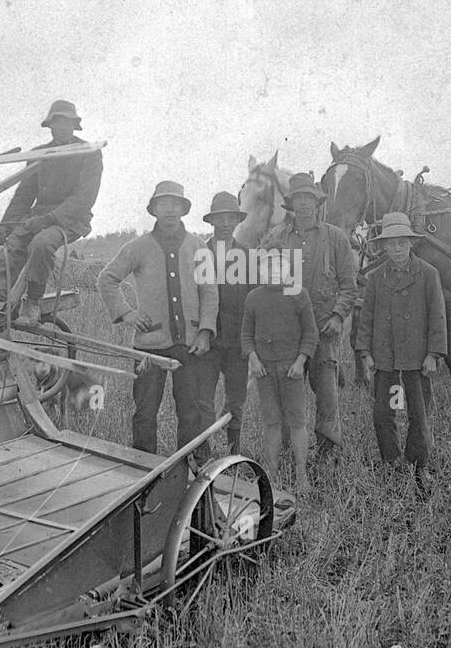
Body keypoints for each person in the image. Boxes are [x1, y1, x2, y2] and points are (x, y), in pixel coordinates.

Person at [0, 99, 103, 330]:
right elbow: (24, 196)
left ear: (75, 126)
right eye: (58, 123)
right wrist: (5, 226)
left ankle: (32, 302)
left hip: (72, 219)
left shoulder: (88, 153)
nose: (62, 128)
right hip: (38, 217)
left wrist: (48, 220)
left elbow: (84, 199)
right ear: (50, 126)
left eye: (67, 123)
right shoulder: (38, 154)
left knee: (42, 243)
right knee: (14, 245)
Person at [98, 181, 218, 456]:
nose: (169, 210)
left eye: (175, 204)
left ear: (183, 209)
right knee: (144, 412)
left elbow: (209, 292)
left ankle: (192, 474)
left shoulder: (198, 246)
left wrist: (205, 332)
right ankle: (144, 476)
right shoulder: (138, 247)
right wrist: (127, 313)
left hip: (189, 345)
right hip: (149, 347)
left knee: (191, 414)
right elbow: (107, 279)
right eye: (163, 204)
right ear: (154, 209)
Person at [260, 171, 357, 464]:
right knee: (289, 394)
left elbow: (348, 287)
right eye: (298, 199)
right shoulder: (277, 237)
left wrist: (339, 317)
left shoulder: (336, 237)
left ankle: (328, 454)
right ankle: (291, 452)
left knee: (327, 394)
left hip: (324, 329)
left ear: (317, 202)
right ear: (291, 204)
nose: (304, 205)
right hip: (287, 333)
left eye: (309, 199)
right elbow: (262, 278)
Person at [354, 212, 447, 489]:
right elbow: (366, 317)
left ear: (411, 243)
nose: (396, 249)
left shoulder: (429, 275)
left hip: (417, 363)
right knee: (384, 415)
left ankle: (419, 466)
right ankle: (392, 463)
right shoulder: (376, 279)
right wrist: (366, 352)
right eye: (391, 244)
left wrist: (434, 354)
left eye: (402, 243)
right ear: (383, 246)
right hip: (387, 362)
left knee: (418, 414)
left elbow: (437, 317)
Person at [241, 250, 318, 489]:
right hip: (264, 370)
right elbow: (246, 335)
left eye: (279, 266)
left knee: (297, 421)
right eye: (267, 266)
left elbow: (310, 334)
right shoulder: (254, 297)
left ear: (288, 269)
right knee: (271, 421)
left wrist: (300, 361)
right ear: (260, 269)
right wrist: (253, 359)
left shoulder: (299, 294)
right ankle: (271, 476)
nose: (274, 271)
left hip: (291, 370)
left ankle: (301, 475)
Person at [193, 191, 253, 455]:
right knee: (203, 401)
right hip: (208, 342)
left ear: (237, 221)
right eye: (220, 218)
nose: (226, 223)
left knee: (236, 401)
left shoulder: (247, 256)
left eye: (231, 218)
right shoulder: (199, 254)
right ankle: (204, 454)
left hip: (238, 344)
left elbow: (254, 299)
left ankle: (233, 454)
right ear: (211, 222)